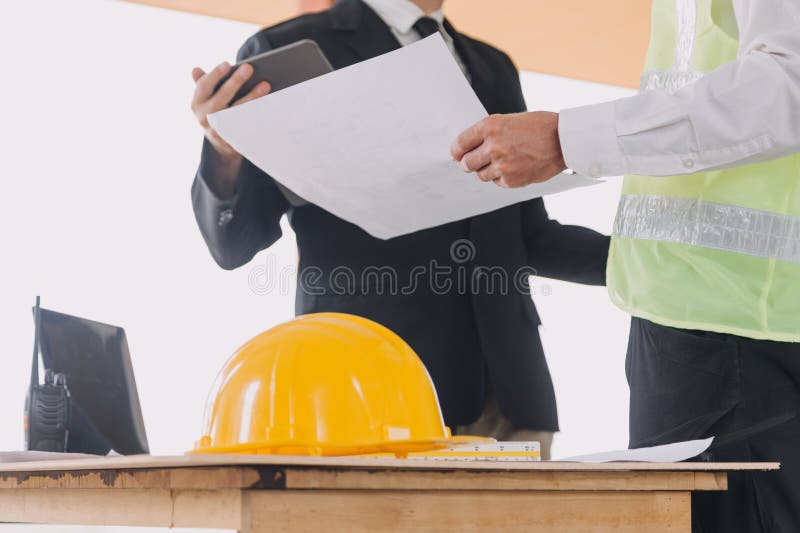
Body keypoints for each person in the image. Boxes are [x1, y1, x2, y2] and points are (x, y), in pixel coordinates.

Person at [190, 0, 610, 460]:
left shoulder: (494, 66)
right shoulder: (286, 48)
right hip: (367, 388)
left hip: (508, 392)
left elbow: (528, 234)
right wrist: (225, 149)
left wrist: (649, 259)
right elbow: (235, 242)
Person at [451, 0, 800, 530]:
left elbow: (788, 84)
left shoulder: (488, 63)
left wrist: (566, 138)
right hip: (716, 317)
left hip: (731, 321)